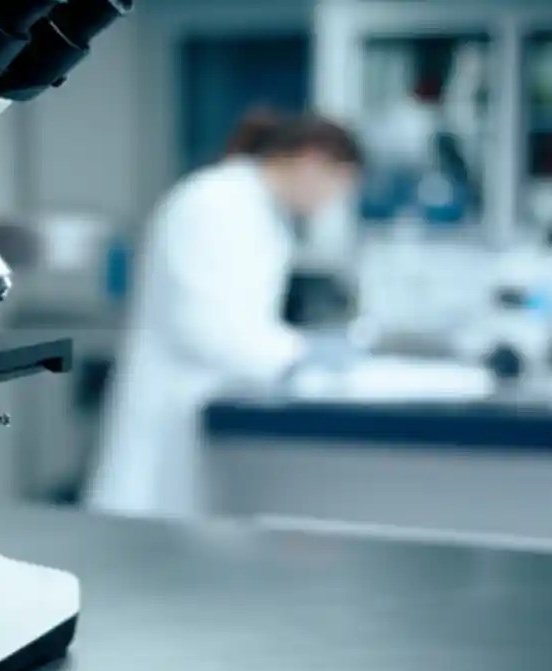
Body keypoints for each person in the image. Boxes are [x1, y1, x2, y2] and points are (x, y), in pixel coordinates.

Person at [87, 110, 364, 519]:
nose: (333, 203)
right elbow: (205, 329)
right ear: (311, 159)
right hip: (175, 405)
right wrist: (300, 352)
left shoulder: (259, 211)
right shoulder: (215, 202)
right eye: (339, 187)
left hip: (208, 406)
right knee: (151, 540)